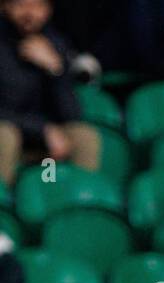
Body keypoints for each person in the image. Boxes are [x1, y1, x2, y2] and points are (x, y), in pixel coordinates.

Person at [0, 0, 100, 187]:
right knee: (4, 135)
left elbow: (72, 114)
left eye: (38, 6)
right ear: (5, 6)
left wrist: (55, 69)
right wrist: (41, 130)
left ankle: (75, 205)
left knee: (85, 136)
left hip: (45, 139)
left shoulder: (57, 43)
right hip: (13, 132)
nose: (30, 14)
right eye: (21, 5)